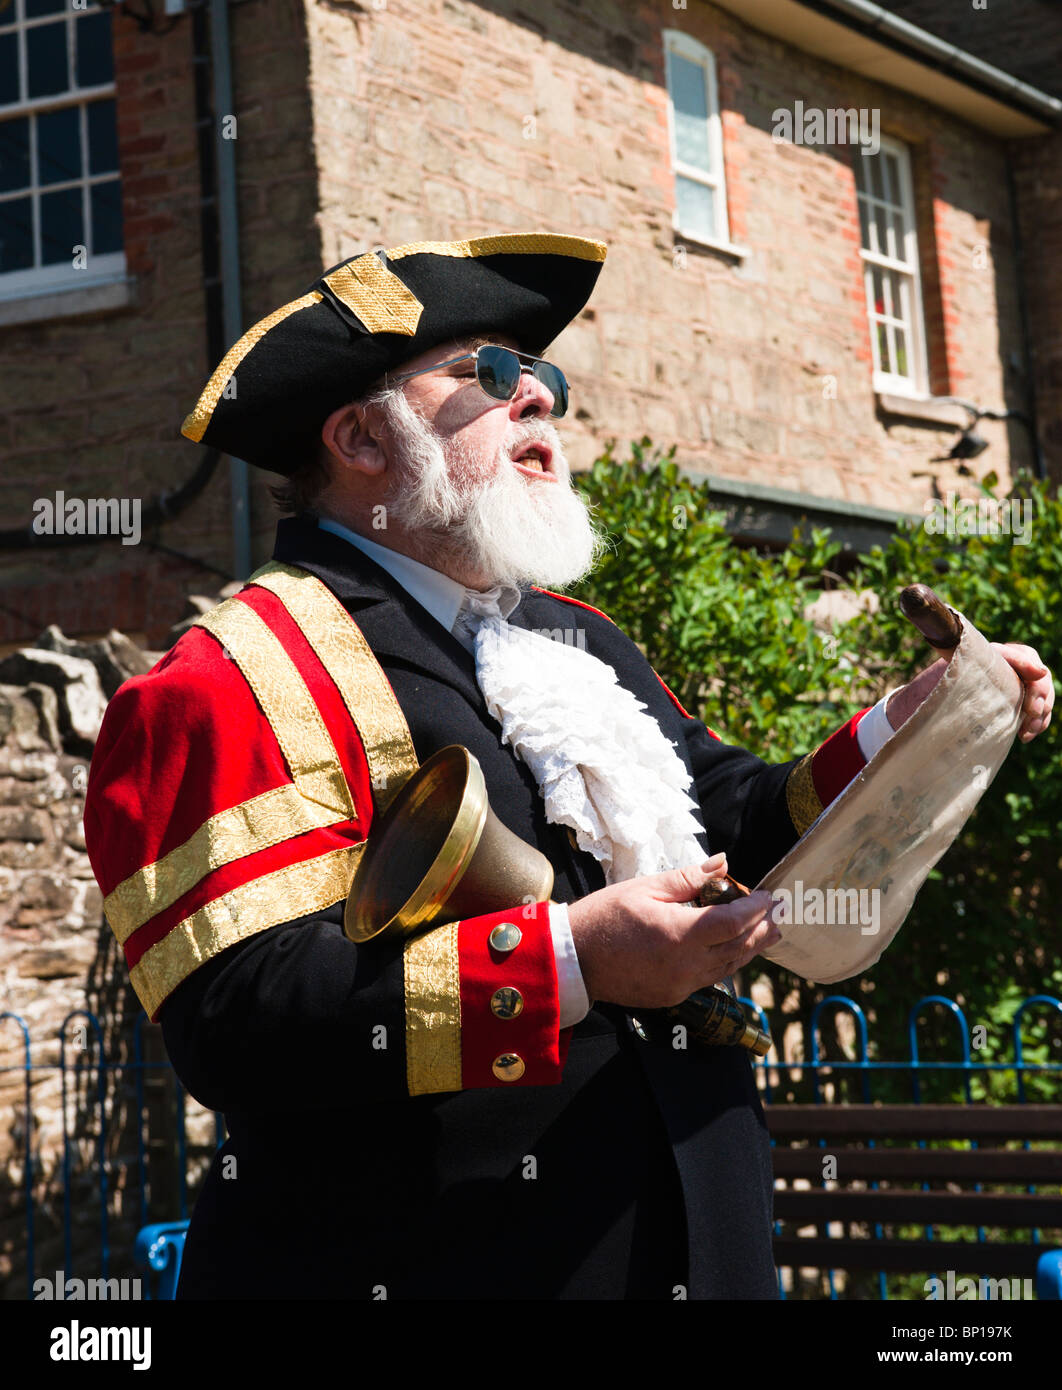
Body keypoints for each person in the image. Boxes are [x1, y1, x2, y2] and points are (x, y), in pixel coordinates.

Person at [83, 233, 1053, 1300]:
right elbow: (242, 1020)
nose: (541, 402)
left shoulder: (576, 635)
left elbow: (731, 814)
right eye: (493, 376)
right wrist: (573, 961)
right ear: (362, 435)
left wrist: (903, 729)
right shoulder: (233, 672)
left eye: (543, 377)